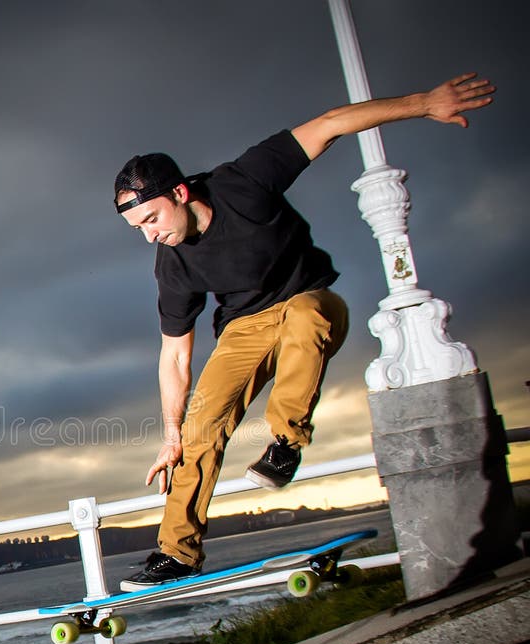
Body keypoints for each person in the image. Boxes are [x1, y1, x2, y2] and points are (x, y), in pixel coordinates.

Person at [114, 72, 495, 591]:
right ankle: (177, 551)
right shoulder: (172, 266)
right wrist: (170, 433)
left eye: (152, 219)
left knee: (305, 318)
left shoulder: (243, 181)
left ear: (180, 193)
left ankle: (285, 444)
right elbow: (174, 357)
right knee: (200, 429)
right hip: (244, 330)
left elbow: (331, 124)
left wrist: (424, 103)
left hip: (309, 301)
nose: (151, 235)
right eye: (139, 229)